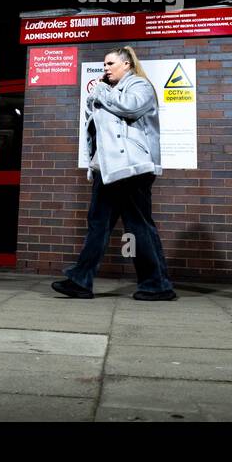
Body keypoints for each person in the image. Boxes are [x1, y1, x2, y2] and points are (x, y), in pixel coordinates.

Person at [52, 46, 177, 301]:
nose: (105, 68)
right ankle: (80, 281)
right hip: (106, 169)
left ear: (127, 64)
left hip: (131, 169)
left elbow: (129, 108)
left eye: (110, 63)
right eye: (104, 65)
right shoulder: (107, 92)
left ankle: (157, 285)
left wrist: (101, 93)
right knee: (98, 226)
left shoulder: (140, 86)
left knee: (139, 226)